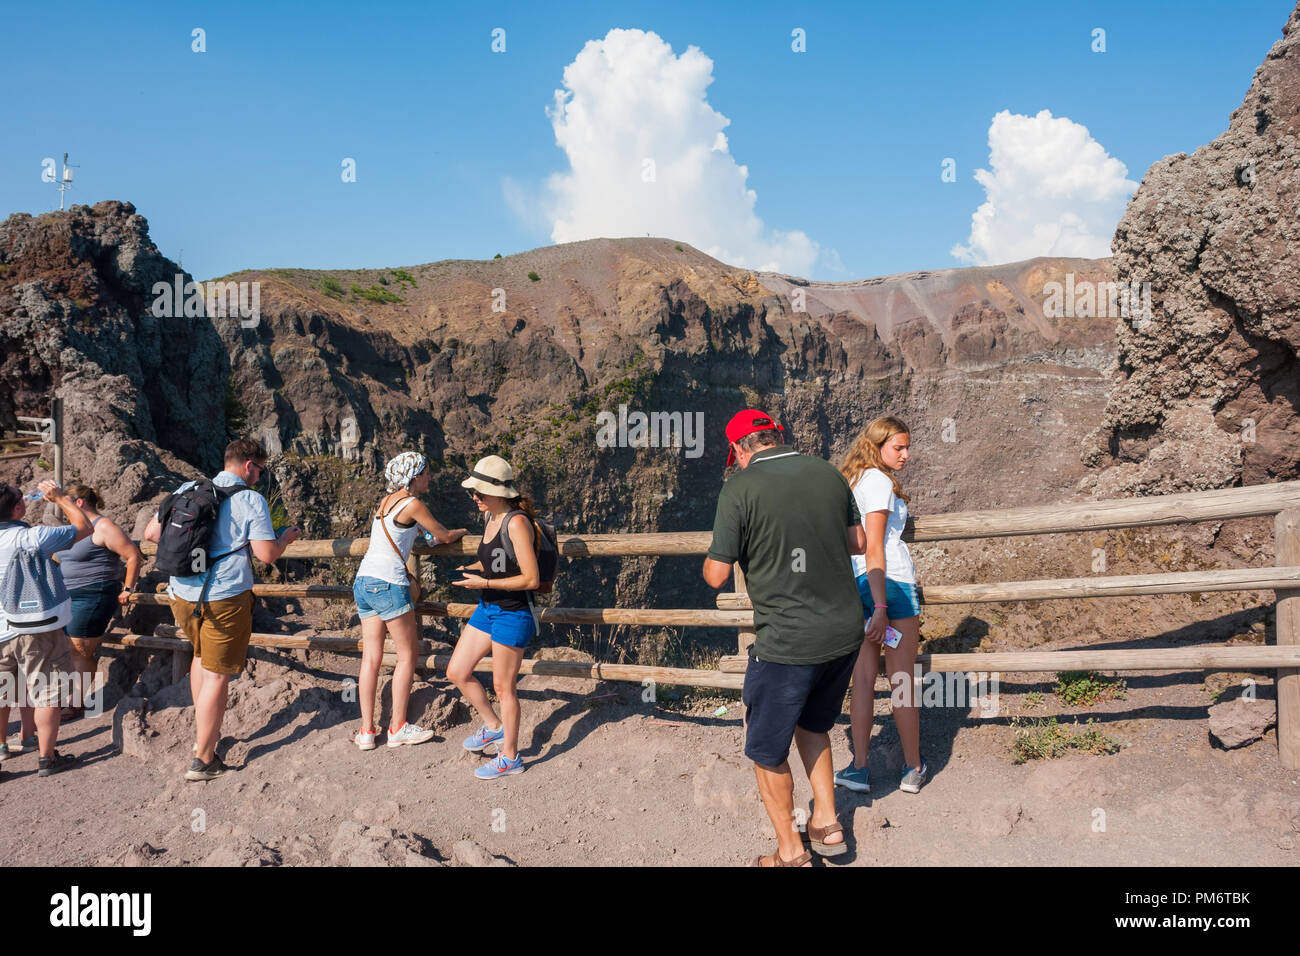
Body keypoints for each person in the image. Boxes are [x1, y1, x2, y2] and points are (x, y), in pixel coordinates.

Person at [702, 411, 866, 866]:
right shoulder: (827, 473)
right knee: (815, 725)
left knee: (766, 748)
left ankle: (790, 852)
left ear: (739, 450)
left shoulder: (738, 489)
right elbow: (858, 541)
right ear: (778, 436)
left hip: (788, 642)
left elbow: (716, 575)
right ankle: (827, 823)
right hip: (843, 632)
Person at [143, 439, 300, 782]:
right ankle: (203, 758)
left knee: (201, 657)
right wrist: (284, 538)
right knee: (218, 674)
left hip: (182, 594)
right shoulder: (250, 499)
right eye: (260, 469)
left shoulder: (188, 487)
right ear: (248, 466)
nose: (260, 475)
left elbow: (151, 533)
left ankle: (205, 732)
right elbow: (267, 555)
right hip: (224, 598)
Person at [834, 416, 927, 794]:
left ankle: (859, 768)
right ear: (877, 446)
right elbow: (876, 545)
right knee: (902, 680)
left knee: (863, 681)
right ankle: (913, 766)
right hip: (890, 587)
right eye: (898, 448)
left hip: (858, 585)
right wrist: (881, 606)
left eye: (907, 447)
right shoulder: (879, 481)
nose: (906, 455)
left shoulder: (853, 480)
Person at [353, 451, 466, 750]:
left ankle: (366, 731)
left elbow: (414, 535)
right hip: (388, 583)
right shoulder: (413, 503)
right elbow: (441, 536)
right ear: (415, 476)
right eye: (427, 472)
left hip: (363, 580)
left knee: (371, 657)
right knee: (407, 655)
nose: (430, 477)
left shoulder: (386, 502)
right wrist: (461, 532)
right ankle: (398, 727)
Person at [446, 455, 541, 780]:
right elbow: (497, 563)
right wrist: (467, 571)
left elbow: (530, 578)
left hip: (513, 613)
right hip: (488, 607)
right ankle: (493, 726)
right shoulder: (491, 519)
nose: (475, 497)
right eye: (474, 492)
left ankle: (511, 757)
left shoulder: (516, 522)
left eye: (480, 493)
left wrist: (482, 582)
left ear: (499, 493)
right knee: (457, 671)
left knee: (504, 688)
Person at [0, 479, 92, 776]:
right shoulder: (32, 537)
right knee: (47, 691)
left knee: (2, 693)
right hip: (34, 627)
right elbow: (84, 527)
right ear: (18, 507)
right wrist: (60, 498)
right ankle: (46, 757)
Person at [57, 483, 143, 721]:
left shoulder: (103, 527)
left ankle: (76, 703)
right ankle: (69, 698)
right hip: (69, 596)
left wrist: (128, 588)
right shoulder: (75, 528)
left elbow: (133, 556)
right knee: (68, 648)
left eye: (66, 504)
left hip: (93, 594)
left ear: (79, 503)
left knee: (80, 649)